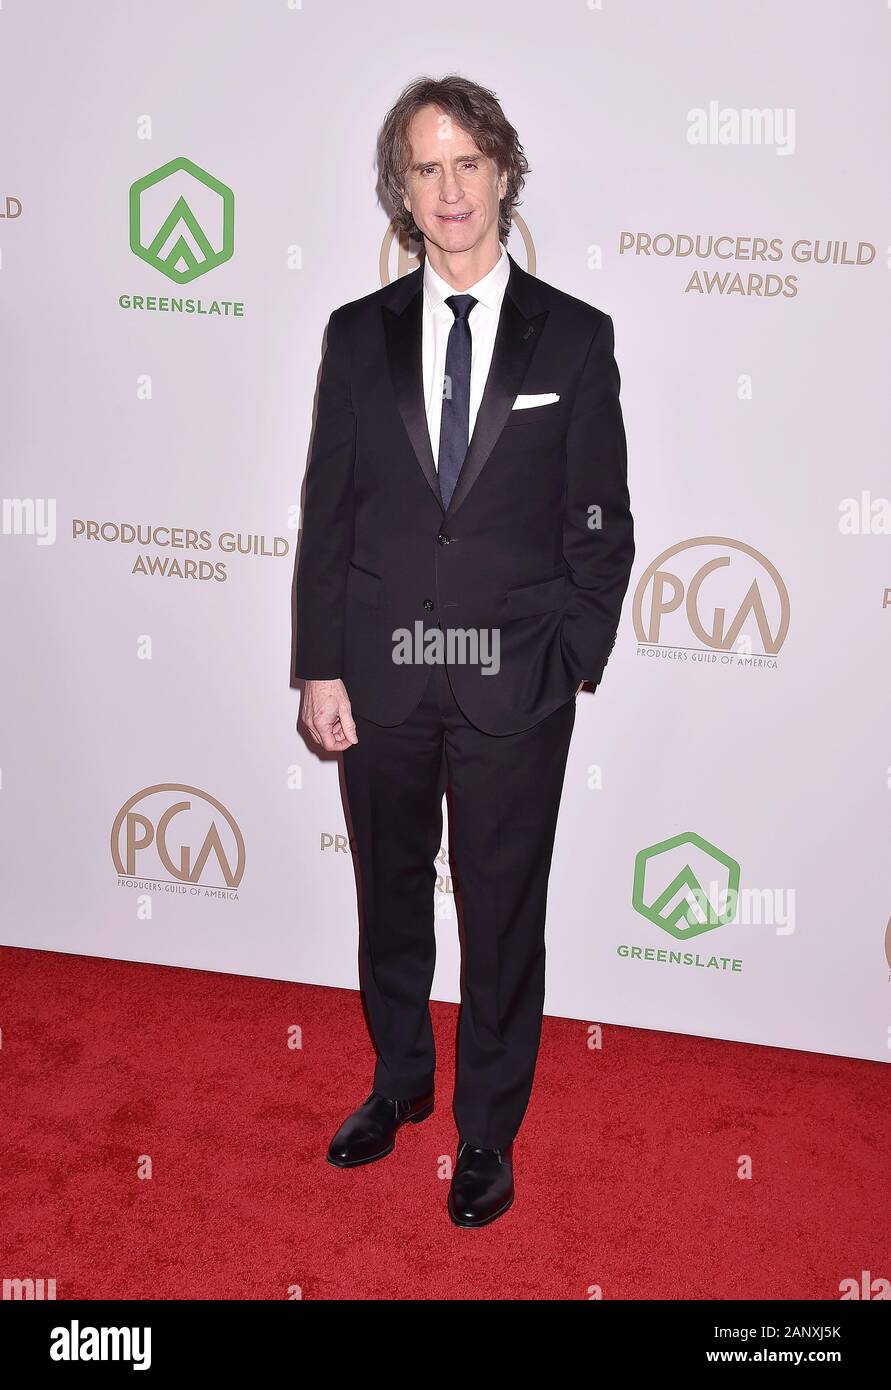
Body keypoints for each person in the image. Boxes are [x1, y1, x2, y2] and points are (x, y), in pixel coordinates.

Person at [294, 74, 634, 1227]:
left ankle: (487, 1130)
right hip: (380, 675)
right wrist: (320, 664)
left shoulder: (577, 338)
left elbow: (602, 517)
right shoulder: (355, 336)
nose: (449, 190)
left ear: (502, 174)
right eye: (425, 168)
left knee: (500, 916)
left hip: (514, 682)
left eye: (467, 164)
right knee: (389, 899)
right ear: (402, 188)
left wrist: (575, 653)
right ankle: (399, 1084)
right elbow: (328, 512)